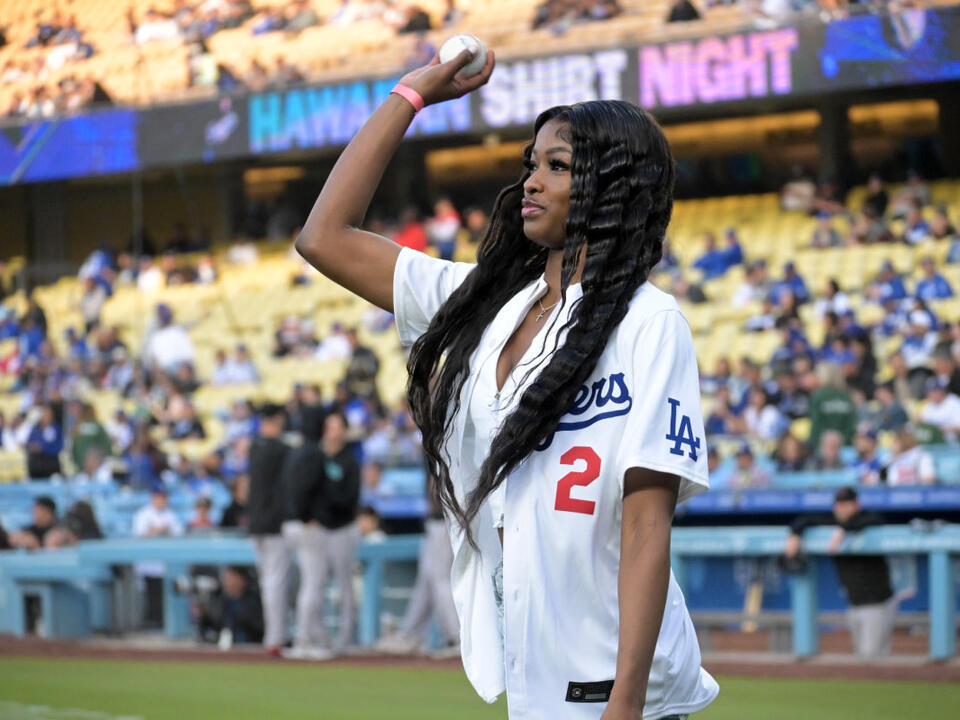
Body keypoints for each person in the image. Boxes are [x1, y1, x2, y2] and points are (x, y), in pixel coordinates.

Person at [294, 49, 717, 718]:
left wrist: (627, 703)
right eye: (530, 164)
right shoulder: (484, 300)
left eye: (557, 166)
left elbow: (645, 526)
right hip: (532, 672)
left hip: (622, 686)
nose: (532, 180)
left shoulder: (648, 321)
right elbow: (323, 237)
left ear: (613, 185)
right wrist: (411, 94)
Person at [783, 487, 897, 658]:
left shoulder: (867, 519)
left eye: (847, 504)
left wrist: (844, 530)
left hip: (878, 602)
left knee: (871, 657)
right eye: (839, 504)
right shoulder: (833, 522)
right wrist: (794, 535)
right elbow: (804, 520)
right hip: (854, 603)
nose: (842, 508)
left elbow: (874, 520)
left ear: (856, 505)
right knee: (861, 657)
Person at [376, 481, 459, 657]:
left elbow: (438, 484)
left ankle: (456, 637)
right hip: (438, 521)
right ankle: (411, 634)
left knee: (440, 579)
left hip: (446, 519)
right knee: (427, 581)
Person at [280, 404, 333, 659]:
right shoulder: (314, 453)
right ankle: (304, 639)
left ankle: (309, 636)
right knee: (313, 584)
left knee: (307, 584)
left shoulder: (295, 451)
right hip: (305, 525)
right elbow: (303, 490)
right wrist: (307, 516)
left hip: (290, 524)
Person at [316, 410, 362, 652]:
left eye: (335, 427)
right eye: (328, 427)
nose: (330, 433)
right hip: (320, 530)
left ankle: (345, 638)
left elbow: (348, 498)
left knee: (344, 585)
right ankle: (320, 637)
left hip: (342, 528)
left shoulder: (349, 460)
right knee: (317, 584)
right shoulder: (317, 457)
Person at [247, 403, 291, 655]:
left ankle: (274, 636)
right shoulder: (281, 449)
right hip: (274, 524)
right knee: (276, 582)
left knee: (268, 582)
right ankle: (276, 638)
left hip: (257, 523)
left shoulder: (255, 446)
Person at [132, 485, 184, 627]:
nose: (161, 500)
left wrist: (157, 531)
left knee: (165, 597)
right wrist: (159, 531)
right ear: (153, 497)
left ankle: (165, 624)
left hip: (167, 565)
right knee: (152, 598)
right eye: (159, 497)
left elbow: (179, 534)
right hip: (148, 564)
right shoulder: (143, 514)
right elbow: (139, 534)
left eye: (164, 497)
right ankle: (151, 624)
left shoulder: (171, 515)